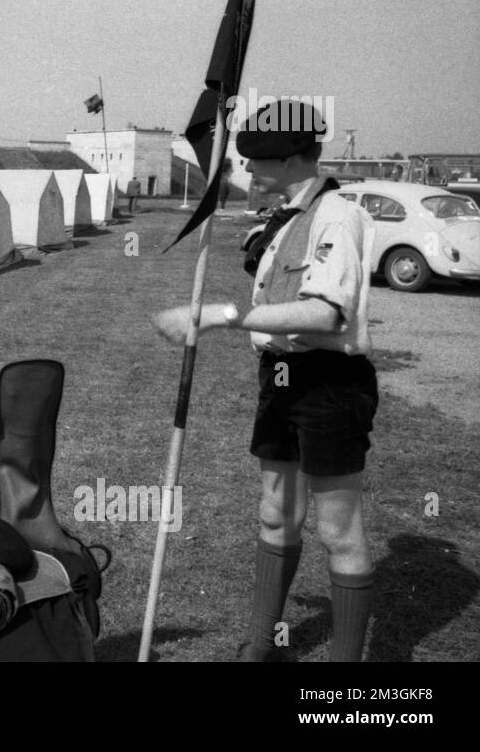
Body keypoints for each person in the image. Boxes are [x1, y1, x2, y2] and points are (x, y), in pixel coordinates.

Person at [152, 99, 378, 662]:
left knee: (337, 531)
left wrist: (220, 315)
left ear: (293, 159)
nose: (250, 172)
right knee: (276, 512)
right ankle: (261, 645)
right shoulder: (288, 217)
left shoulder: (335, 215)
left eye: (260, 163)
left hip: (329, 382)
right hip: (280, 377)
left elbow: (325, 313)